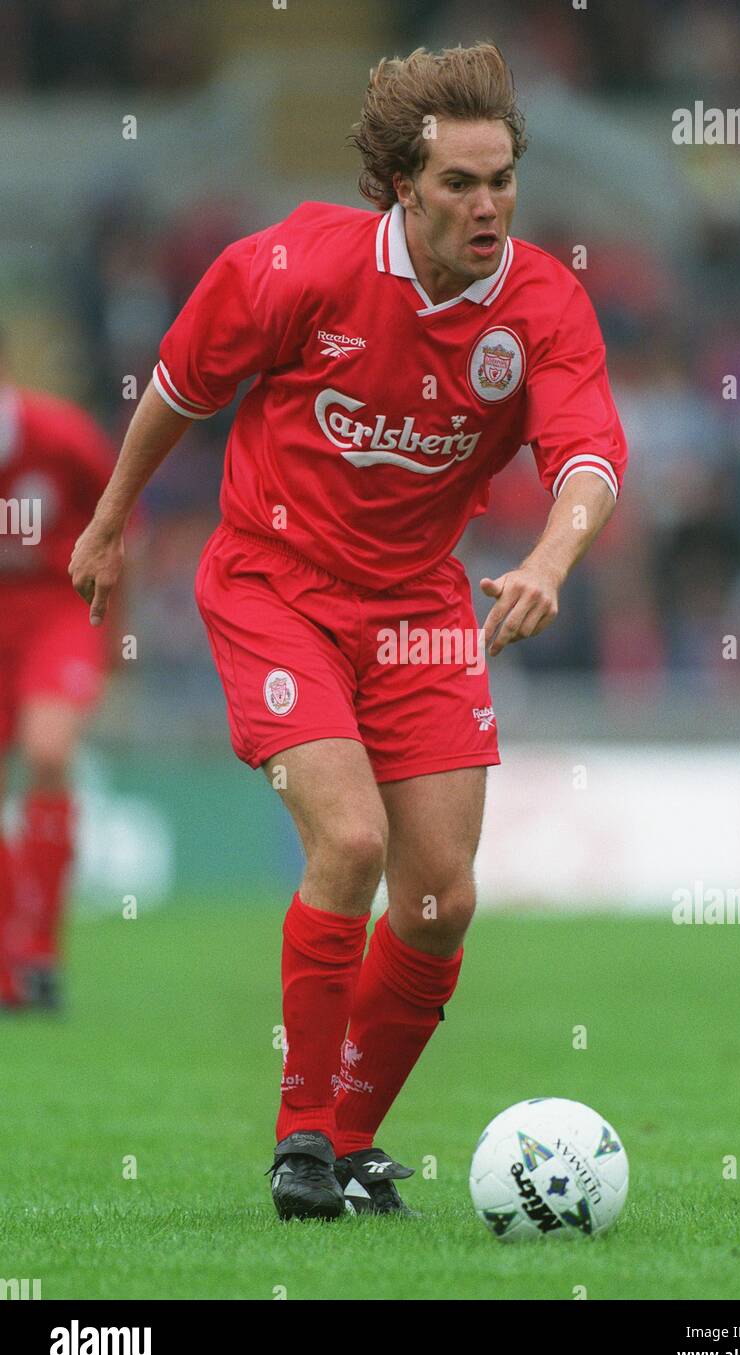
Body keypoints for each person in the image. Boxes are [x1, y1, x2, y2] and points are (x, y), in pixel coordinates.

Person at [69, 42, 627, 1220]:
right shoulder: (295, 266)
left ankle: (349, 1137)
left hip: (420, 604)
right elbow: (177, 384)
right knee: (352, 844)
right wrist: (113, 522)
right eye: (461, 183)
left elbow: (586, 454)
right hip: (276, 583)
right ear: (402, 188)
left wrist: (546, 557)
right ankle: (299, 1142)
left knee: (441, 902)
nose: (489, 205)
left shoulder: (538, 304)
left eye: (502, 179)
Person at [0, 336, 115, 1009]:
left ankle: (39, 948)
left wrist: (111, 632)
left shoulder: (63, 438)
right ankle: (10, 958)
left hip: (53, 612)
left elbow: (116, 519)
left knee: (48, 750)